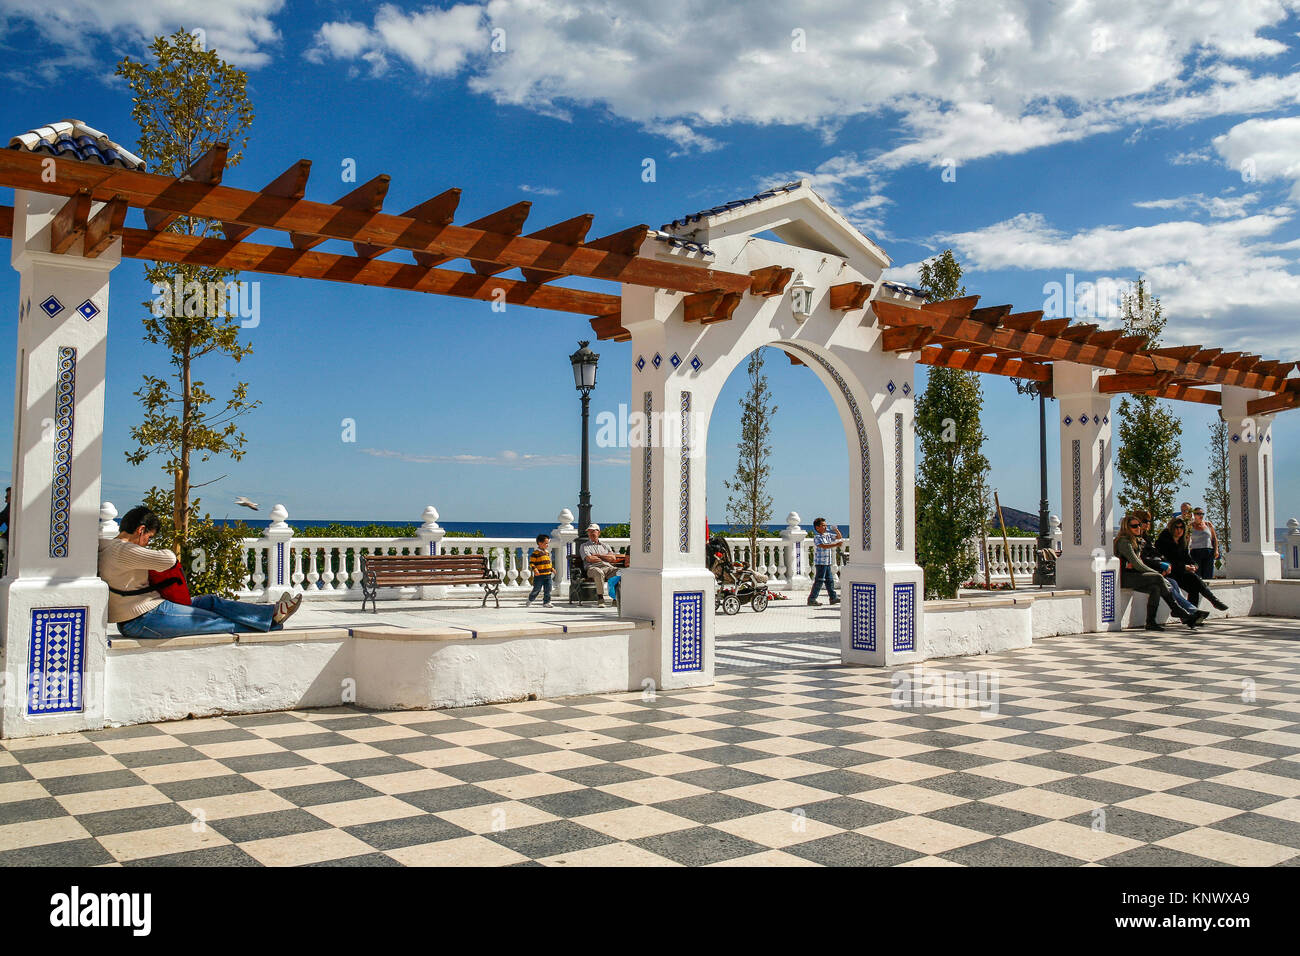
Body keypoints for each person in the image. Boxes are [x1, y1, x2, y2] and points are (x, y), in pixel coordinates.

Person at [99, 505, 302, 639]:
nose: (147, 543)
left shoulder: (107, 546)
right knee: (211, 620)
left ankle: (272, 613)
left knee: (210, 602)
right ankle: (272, 625)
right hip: (140, 619)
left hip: (153, 608)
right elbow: (168, 559)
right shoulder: (124, 550)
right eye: (149, 538)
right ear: (141, 530)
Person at [1116, 512, 1205, 630]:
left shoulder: (1137, 541)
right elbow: (1138, 564)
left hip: (1136, 576)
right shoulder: (1124, 542)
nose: (1138, 527)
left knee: (1156, 588)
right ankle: (1177, 610)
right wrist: (1156, 573)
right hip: (1126, 577)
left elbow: (1139, 563)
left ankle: (1151, 622)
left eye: (1138, 525)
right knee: (1158, 578)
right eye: (1134, 526)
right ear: (1126, 528)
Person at [1135, 511, 1203, 619]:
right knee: (1166, 585)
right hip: (1141, 573)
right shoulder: (1134, 540)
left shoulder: (1146, 538)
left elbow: (1156, 555)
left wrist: (1164, 564)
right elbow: (1141, 560)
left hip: (1155, 570)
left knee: (1175, 583)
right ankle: (1190, 611)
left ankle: (1186, 614)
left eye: (1149, 521)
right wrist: (1160, 565)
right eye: (1145, 521)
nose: (1148, 523)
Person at [1156, 516, 1229, 611]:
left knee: (1194, 588)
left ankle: (1194, 614)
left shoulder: (1182, 542)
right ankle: (1213, 600)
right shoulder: (1163, 542)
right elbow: (1164, 560)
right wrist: (1184, 567)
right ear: (1171, 528)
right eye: (1176, 527)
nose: (1179, 530)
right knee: (1194, 580)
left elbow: (1188, 558)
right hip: (1169, 572)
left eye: (1181, 527)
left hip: (1180, 572)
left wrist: (1194, 565)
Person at [576, 523, 626, 607]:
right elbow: (589, 559)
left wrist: (599, 556)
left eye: (593, 531)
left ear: (598, 533)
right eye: (589, 531)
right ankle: (600, 598)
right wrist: (606, 557)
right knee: (598, 572)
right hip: (592, 568)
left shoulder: (605, 546)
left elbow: (613, 558)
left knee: (620, 572)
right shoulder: (584, 546)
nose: (591, 533)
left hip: (607, 568)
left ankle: (615, 598)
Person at [808, 517, 844, 606]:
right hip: (820, 563)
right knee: (819, 581)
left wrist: (836, 530)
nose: (825, 527)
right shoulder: (817, 537)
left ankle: (833, 598)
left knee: (830, 581)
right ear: (817, 527)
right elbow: (823, 546)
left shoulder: (827, 535)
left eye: (825, 525)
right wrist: (836, 544)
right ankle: (812, 599)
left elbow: (839, 537)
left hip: (827, 562)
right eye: (823, 525)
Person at [1188, 507, 1219, 579]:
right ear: (1194, 515)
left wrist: (1216, 550)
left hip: (1208, 551)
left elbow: (1214, 538)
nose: (1201, 515)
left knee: (1208, 575)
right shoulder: (1190, 526)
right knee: (1197, 575)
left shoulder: (1208, 524)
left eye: (1202, 514)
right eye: (1198, 514)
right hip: (1195, 552)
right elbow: (1187, 540)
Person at [527, 533, 554, 608]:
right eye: (546, 543)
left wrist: (552, 569)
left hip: (548, 575)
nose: (547, 545)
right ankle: (530, 600)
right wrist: (535, 570)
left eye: (547, 543)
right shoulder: (535, 553)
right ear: (540, 543)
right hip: (539, 576)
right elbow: (532, 563)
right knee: (537, 589)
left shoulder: (547, 552)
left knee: (548, 589)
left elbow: (548, 562)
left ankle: (546, 602)